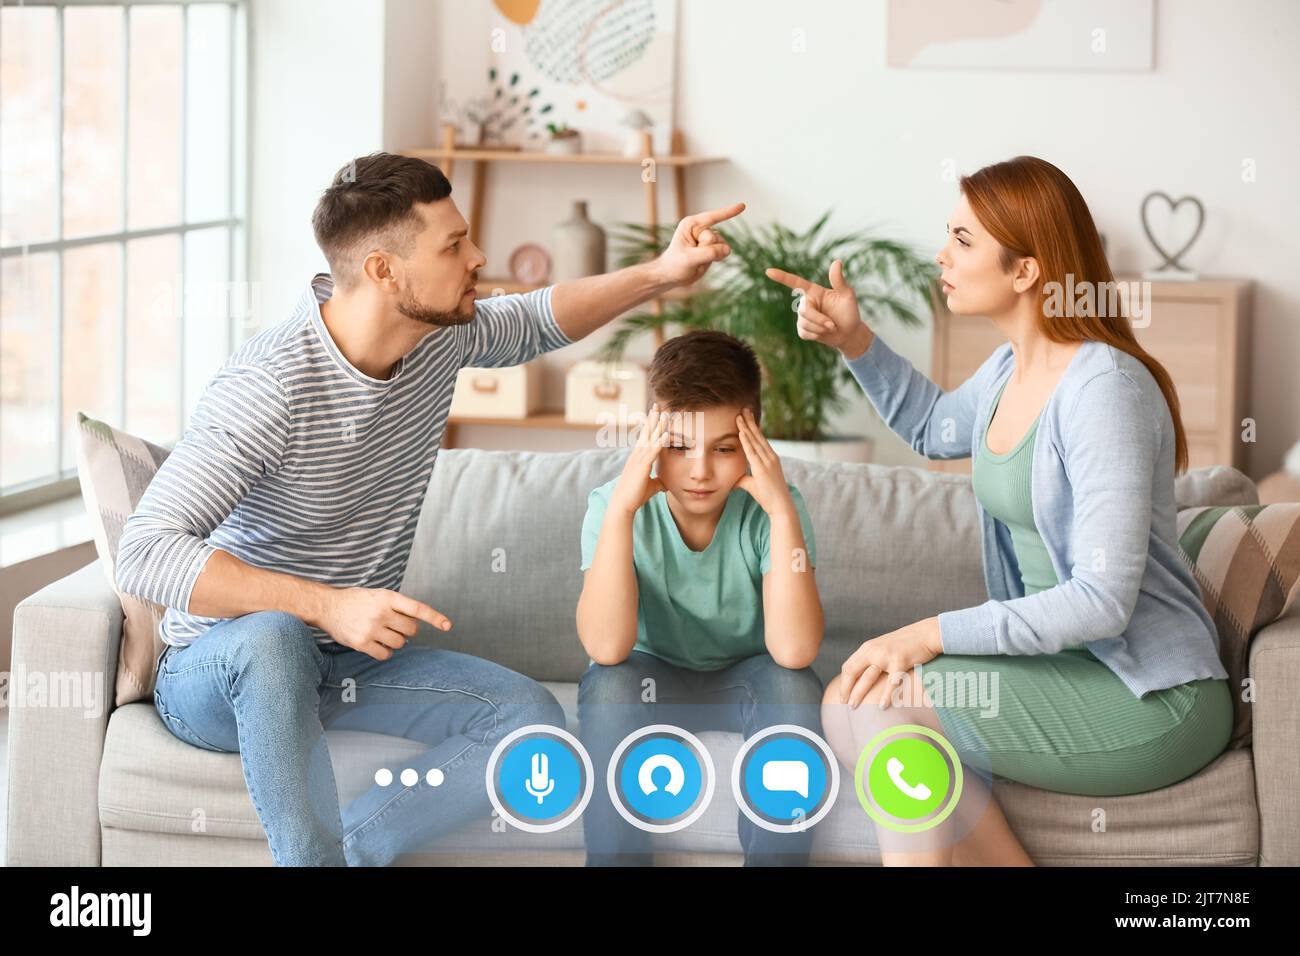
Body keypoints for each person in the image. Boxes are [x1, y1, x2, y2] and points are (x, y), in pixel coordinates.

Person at [116, 151, 744, 866]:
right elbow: (146, 551)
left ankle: (356, 852)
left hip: (346, 664)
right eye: (454, 245)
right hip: (220, 670)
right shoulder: (271, 385)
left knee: (527, 719)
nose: (479, 257)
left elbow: (538, 318)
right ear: (384, 270)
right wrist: (325, 605)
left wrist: (661, 273)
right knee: (274, 637)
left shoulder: (438, 339)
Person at [767, 155, 1232, 866]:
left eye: (962, 241)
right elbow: (930, 428)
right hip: (1067, 667)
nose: (940, 257)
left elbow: (1103, 603)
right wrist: (854, 342)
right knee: (848, 702)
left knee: (883, 703)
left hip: (1148, 692)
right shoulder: (1012, 367)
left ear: (1026, 271)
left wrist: (930, 633)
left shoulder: (1103, 389)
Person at [576, 330, 825, 866]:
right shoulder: (611, 507)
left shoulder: (776, 510)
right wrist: (621, 514)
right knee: (609, 687)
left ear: (754, 442)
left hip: (746, 675)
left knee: (795, 689)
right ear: (649, 439)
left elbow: (795, 651)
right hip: (648, 676)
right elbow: (605, 646)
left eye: (725, 449)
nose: (700, 471)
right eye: (679, 446)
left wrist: (782, 515)